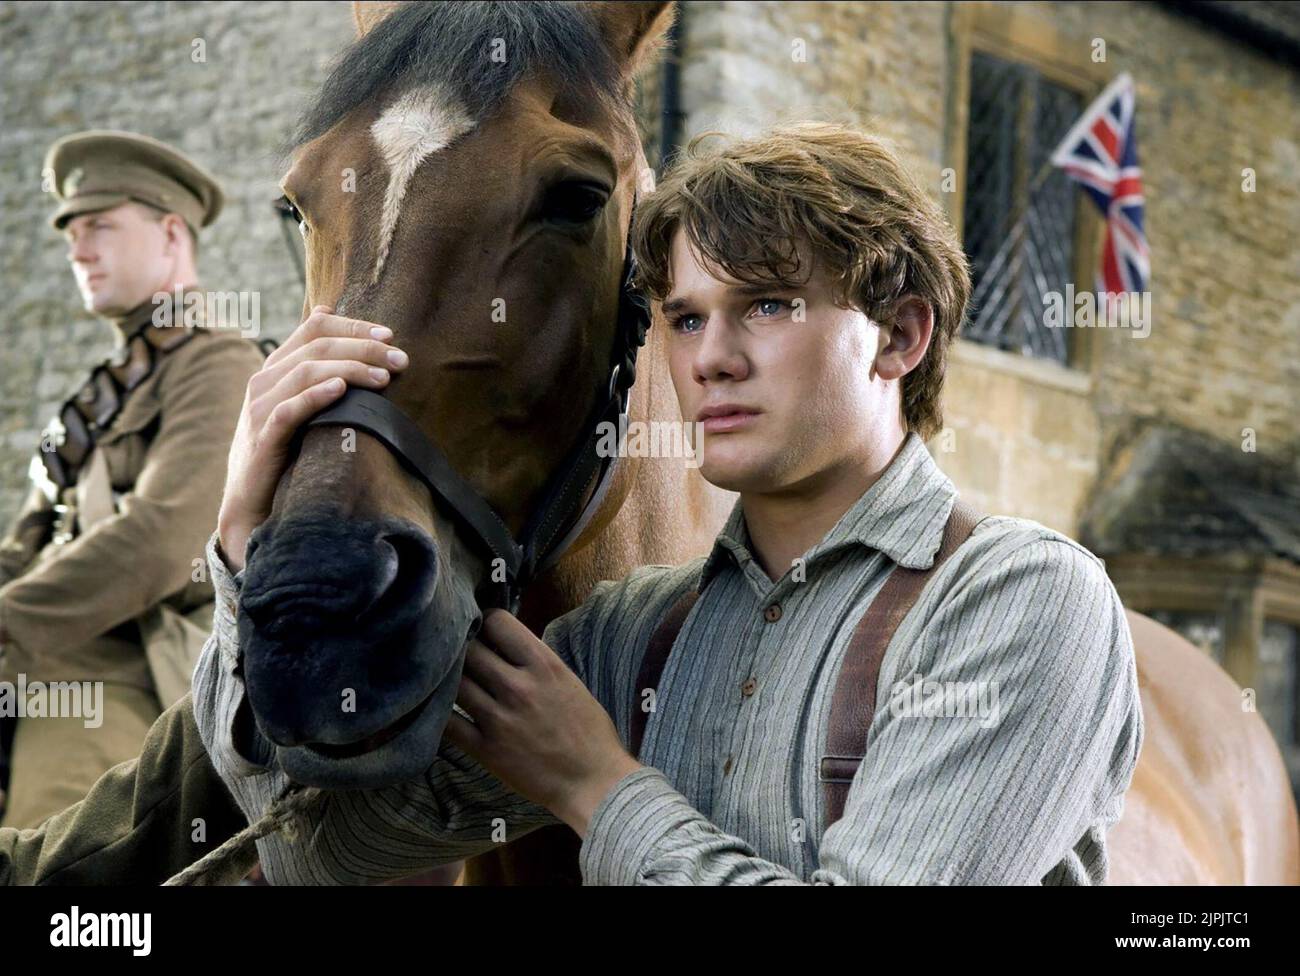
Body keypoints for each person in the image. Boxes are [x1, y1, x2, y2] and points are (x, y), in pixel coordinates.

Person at [0, 121, 1142, 885]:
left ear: (900, 334)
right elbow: (324, 847)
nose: (713, 357)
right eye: (686, 317)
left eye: (769, 306)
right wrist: (251, 553)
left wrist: (598, 785)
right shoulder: (629, 635)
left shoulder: (1021, 596)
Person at [0, 130, 264, 829]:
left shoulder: (217, 364)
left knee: (46, 856)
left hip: (124, 670)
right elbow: (26, 542)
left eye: (100, 227)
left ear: (172, 234)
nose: (77, 250)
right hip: (41, 653)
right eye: (71, 234)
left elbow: (157, 543)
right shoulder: (98, 399)